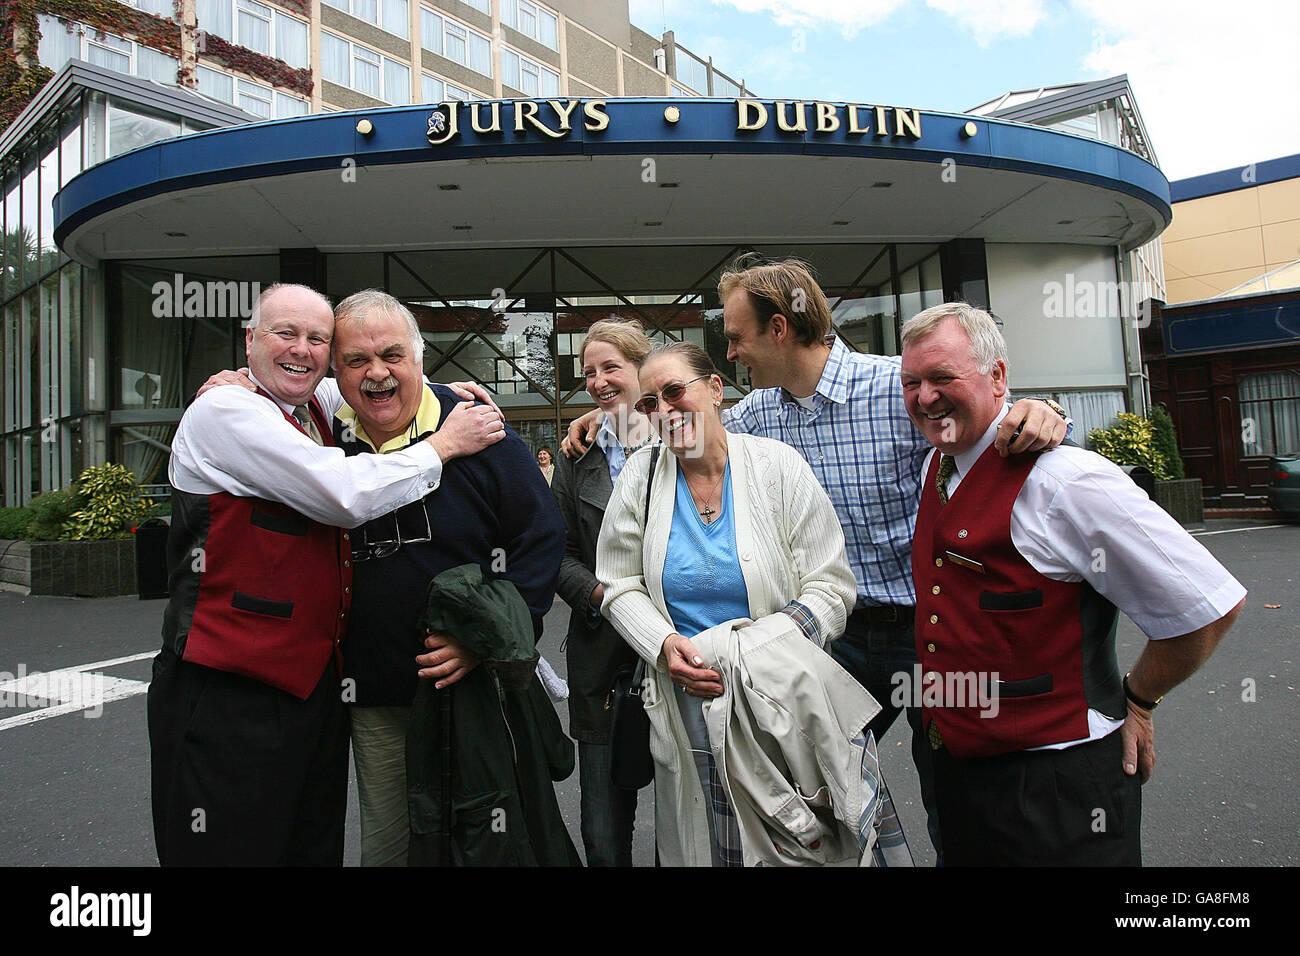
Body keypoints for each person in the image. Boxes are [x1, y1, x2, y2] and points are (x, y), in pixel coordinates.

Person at [566, 255, 1068, 859]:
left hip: (927, 632)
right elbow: (676, 415)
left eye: (735, 336)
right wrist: (605, 411)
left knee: (954, 792)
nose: (730, 352)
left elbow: (980, 414)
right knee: (828, 787)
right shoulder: (760, 413)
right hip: (837, 639)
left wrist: (1036, 409)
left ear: (778, 329)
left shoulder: (897, 389)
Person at [148, 283, 505, 866]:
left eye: (318, 339)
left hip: (309, 690)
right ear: (250, 341)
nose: (303, 350)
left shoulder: (314, 403)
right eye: (285, 333)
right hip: (226, 689)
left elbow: (378, 377)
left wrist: (445, 390)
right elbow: (341, 493)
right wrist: (444, 444)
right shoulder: (224, 410)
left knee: (307, 847)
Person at [899, 301, 1246, 865]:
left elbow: (1207, 604)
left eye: (942, 378)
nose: (924, 397)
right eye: (911, 382)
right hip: (963, 775)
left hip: (1058, 788)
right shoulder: (935, 466)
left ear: (999, 377)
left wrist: (1138, 700)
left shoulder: (1068, 480)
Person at [595, 341, 863, 866]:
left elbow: (830, 586)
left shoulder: (778, 467)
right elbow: (619, 583)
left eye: (675, 392)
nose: (664, 411)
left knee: (796, 840)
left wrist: (759, 654)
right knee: (705, 840)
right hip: (683, 697)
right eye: (649, 404)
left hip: (778, 702)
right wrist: (664, 645)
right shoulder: (640, 478)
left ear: (715, 390)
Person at [328, 289, 569, 866]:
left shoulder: (481, 431)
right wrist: (236, 379)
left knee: (489, 842)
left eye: (392, 355)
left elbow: (541, 539)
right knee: (389, 846)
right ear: (336, 371)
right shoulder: (321, 436)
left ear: (419, 359)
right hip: (375, 694)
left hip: (474, 690)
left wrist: (485, 640)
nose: (377, 373)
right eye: (357, 361)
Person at [550, 318, 657, 866]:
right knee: (603, 830)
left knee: (687, 822)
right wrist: (602, 598)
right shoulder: (573, 457)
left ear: (643, 370)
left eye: (611, 367)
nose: (598, 381)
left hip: (677, 648)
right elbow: (557, 553)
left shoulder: (682, 440)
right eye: (589, 372)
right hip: (600, 654)